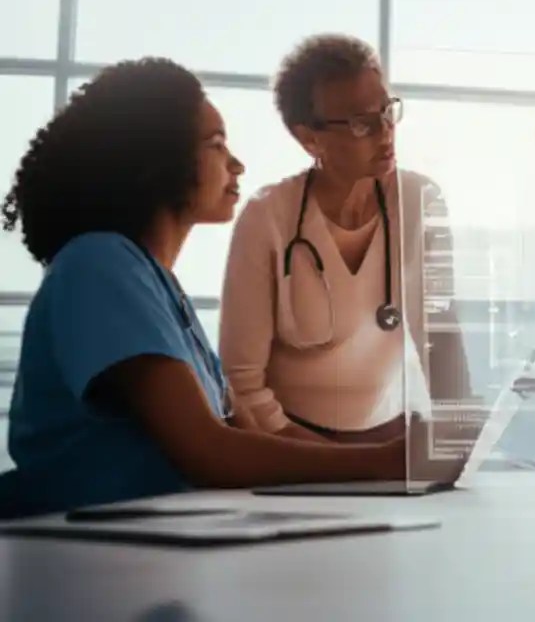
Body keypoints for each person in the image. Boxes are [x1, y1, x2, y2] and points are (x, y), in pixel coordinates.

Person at [0, 59, 459, 518]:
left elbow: (250, 440)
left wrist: (389, 457)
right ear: (158, 157)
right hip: (74, 550)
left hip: (154, 540)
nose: (237, 164)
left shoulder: (157, 289)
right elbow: (209, 452)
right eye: (217, 145)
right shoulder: (99, 264)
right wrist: (381, 462)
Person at [219, 34, 469, 443]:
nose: (385, 132)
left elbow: (440, 340)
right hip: (289, 443)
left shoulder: (420, 201)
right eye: (360, 123)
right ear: (309, 138)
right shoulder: (267, 218)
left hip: (387, 436)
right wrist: (337, 462)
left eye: (387, 112)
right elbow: (242, 386)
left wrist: (456, 436)